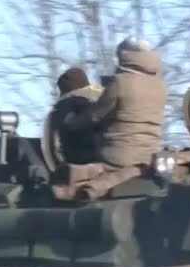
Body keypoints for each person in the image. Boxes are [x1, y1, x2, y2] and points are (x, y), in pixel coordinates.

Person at [61, 37, 167, 169]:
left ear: (125, 56)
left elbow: (95, 115)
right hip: (149, 156)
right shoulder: (161, 86)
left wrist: (71, 123)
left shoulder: (120, 82)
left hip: (118, 156)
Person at [43, 66, 104, 167]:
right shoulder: (102, 102)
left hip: (71, 166)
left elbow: (49, 147)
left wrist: (58, 171)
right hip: (102, 163)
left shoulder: (56, 112)